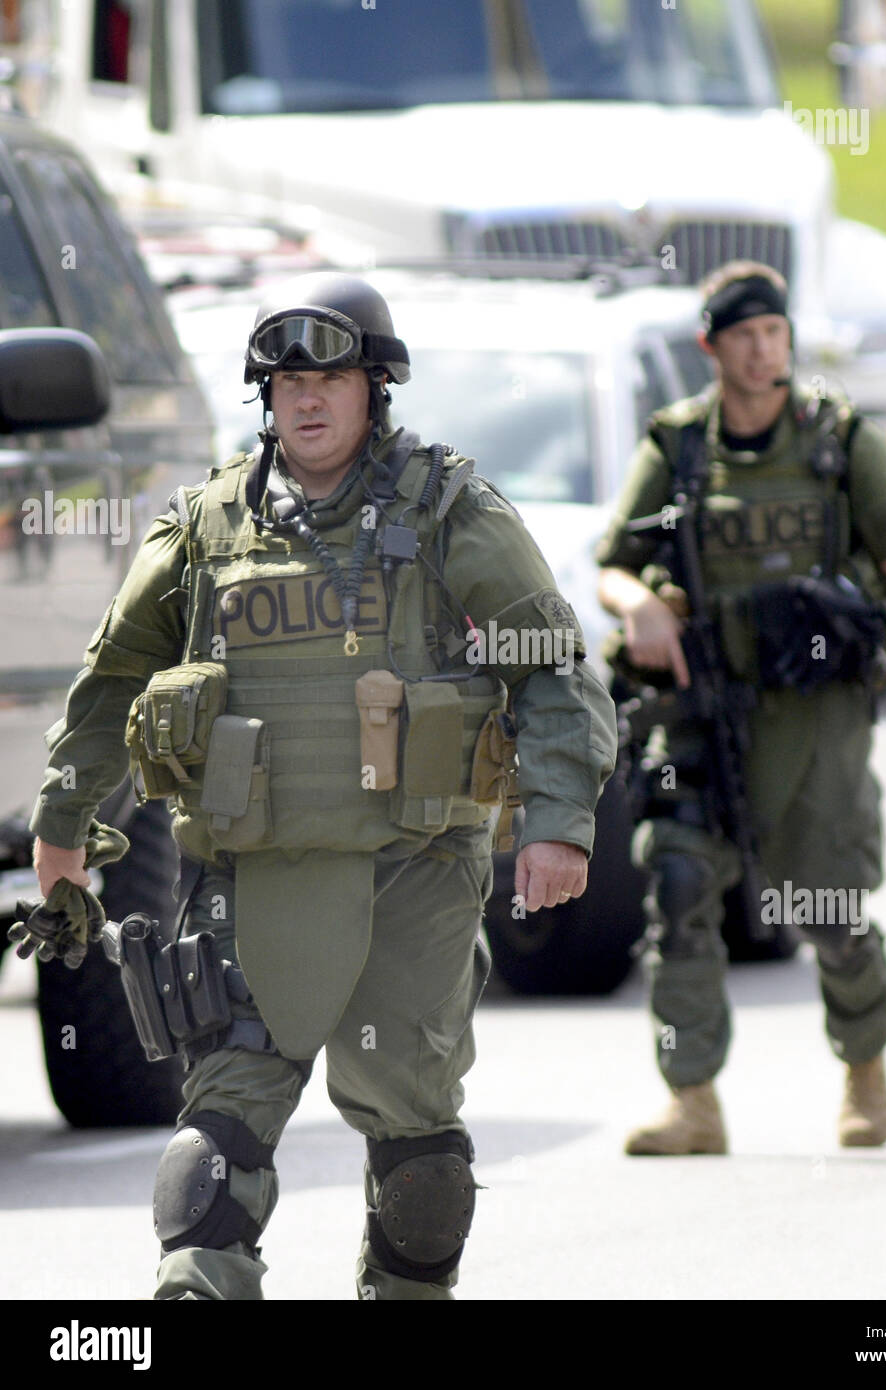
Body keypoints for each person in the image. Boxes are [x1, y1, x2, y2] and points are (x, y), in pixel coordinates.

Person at [26, 272, 616, 1299]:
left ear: (374, 386)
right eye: (285, 379)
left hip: (411, 876)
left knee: (421, 1163)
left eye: (329, 377)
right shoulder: (206, 527)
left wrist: (558, 822)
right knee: (214, 1141)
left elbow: (553, 667)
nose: (304, 398)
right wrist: (64, 822)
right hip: (249, 884)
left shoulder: (448, 511)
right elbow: (112, 674)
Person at [596, 261, 886, 1156]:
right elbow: (610, 560)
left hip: (817, 714)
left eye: (777, 335)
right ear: (711, 347)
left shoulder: (837, 441)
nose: (765, 352)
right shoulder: (680, 446)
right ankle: (692, 1099)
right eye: (747, 337)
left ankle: (865, 1070)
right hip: (706, 709)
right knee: (680, 887)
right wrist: (635, 604)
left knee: (829, 909)